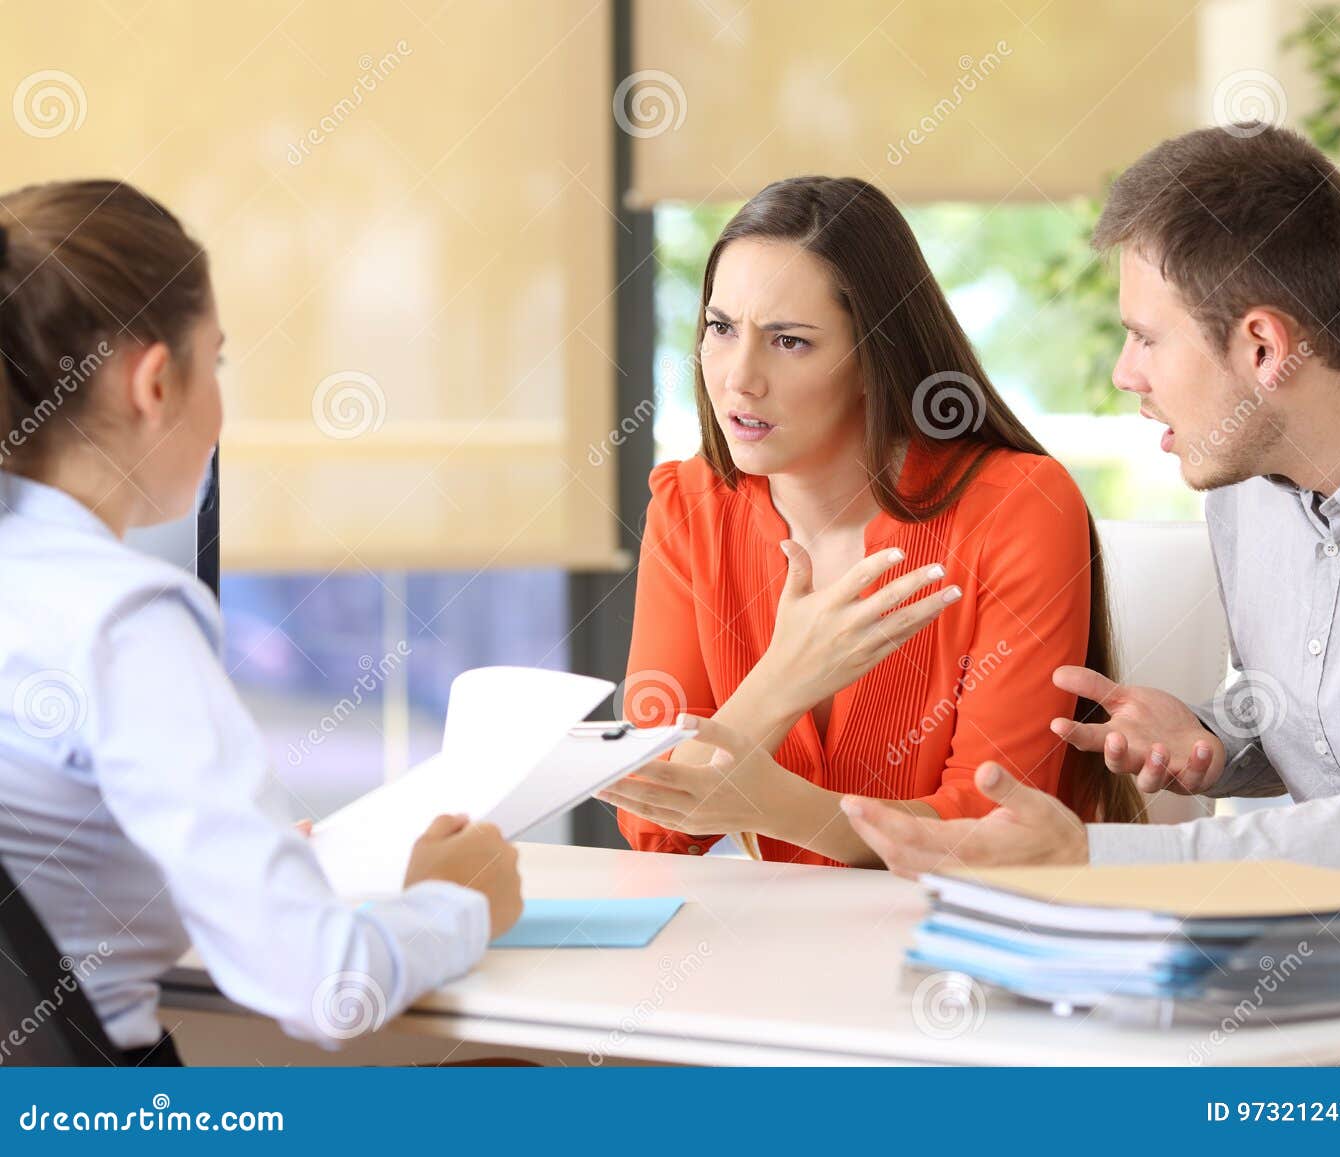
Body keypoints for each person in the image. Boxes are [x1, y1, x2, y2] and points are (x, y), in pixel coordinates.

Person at [833, 124, 1340, 926]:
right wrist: (1215, 736)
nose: (1126, 373)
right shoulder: (1248, 473)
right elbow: (1331, 717)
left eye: (1146, 337)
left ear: (1265, 347)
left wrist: (1091, 862)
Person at [0, 180, 524, 1063]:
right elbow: (325, 986)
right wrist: (456, 898)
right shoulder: (119, 620)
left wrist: (245, 859)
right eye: (219, 361)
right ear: (154, 381)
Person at [599, 176, 1144, 868]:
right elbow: (654, 827)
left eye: (789, 341)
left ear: (872, 357)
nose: (739, 378)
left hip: (975, 934)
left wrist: (771, 803)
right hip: (778, 947)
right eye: (721, 327)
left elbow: (994, 829)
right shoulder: (689, 507)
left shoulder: (1019, 507)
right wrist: (780, 681)